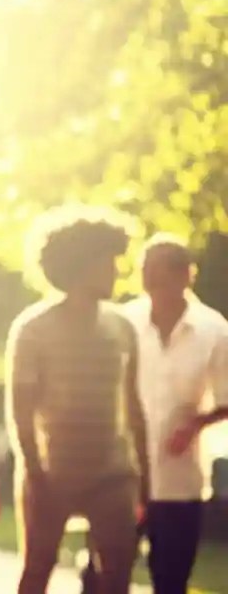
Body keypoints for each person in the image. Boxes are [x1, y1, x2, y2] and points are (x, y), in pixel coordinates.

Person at [8, 206, 149, 594]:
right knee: (37, 568)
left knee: (118, 569)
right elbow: (21, 410)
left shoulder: (122, 327)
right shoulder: (33, 329)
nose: (116, 271)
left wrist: (143, 477)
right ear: (82, 265)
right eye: (109, 263)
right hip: (51, 473)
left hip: (112, 474)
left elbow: (132, 405)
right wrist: (35, 473)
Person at [123, 235, 228, 593]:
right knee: (102, 573)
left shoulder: (214, 331)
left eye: (159, 273)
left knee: (171, 579)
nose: (150, 282)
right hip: (122, 475)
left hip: (180, 480)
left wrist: (196, 424)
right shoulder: (123, 324)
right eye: (145, 272)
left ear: (186, 276)